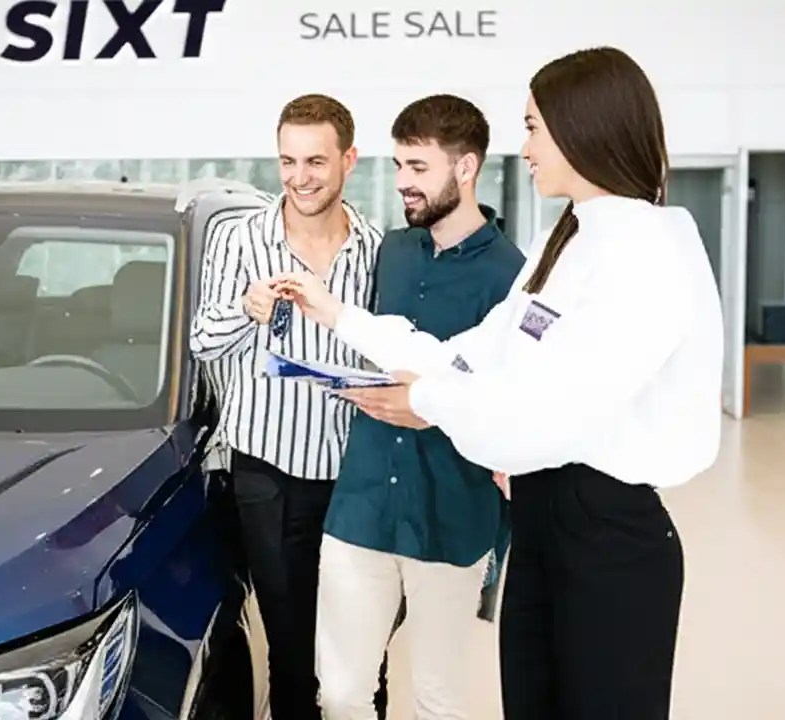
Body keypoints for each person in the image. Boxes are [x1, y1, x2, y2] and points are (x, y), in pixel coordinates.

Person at [276, 46, 723, 719]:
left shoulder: (646, 249)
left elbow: (549, 411)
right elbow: (475, 356)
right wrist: (337, 314)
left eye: (535, 126)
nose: (526, 146)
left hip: (607, 534)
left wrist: (424, 401)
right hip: (543, 520)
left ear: (583, 126)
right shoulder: (565, 239)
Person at [294, 94, 524, 720]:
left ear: (466, 167)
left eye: (418, 168)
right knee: (340, 692)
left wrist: (436, 407)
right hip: (363, 504)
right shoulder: (391, 251)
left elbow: (510, 401)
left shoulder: (514, 277)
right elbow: (378, 345)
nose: (402, 184)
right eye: (398, 167)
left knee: (437, 698)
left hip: (452, 513)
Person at [189, 93, 383, 720]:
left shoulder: (378, 250)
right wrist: (244, 309)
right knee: (291, 650)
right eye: (288, 161)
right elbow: (201, 340)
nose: (300, 177)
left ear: (348, 160)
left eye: (316, 162)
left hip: (353, 477)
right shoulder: (240, 239)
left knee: (360, 653)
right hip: (267, 471)